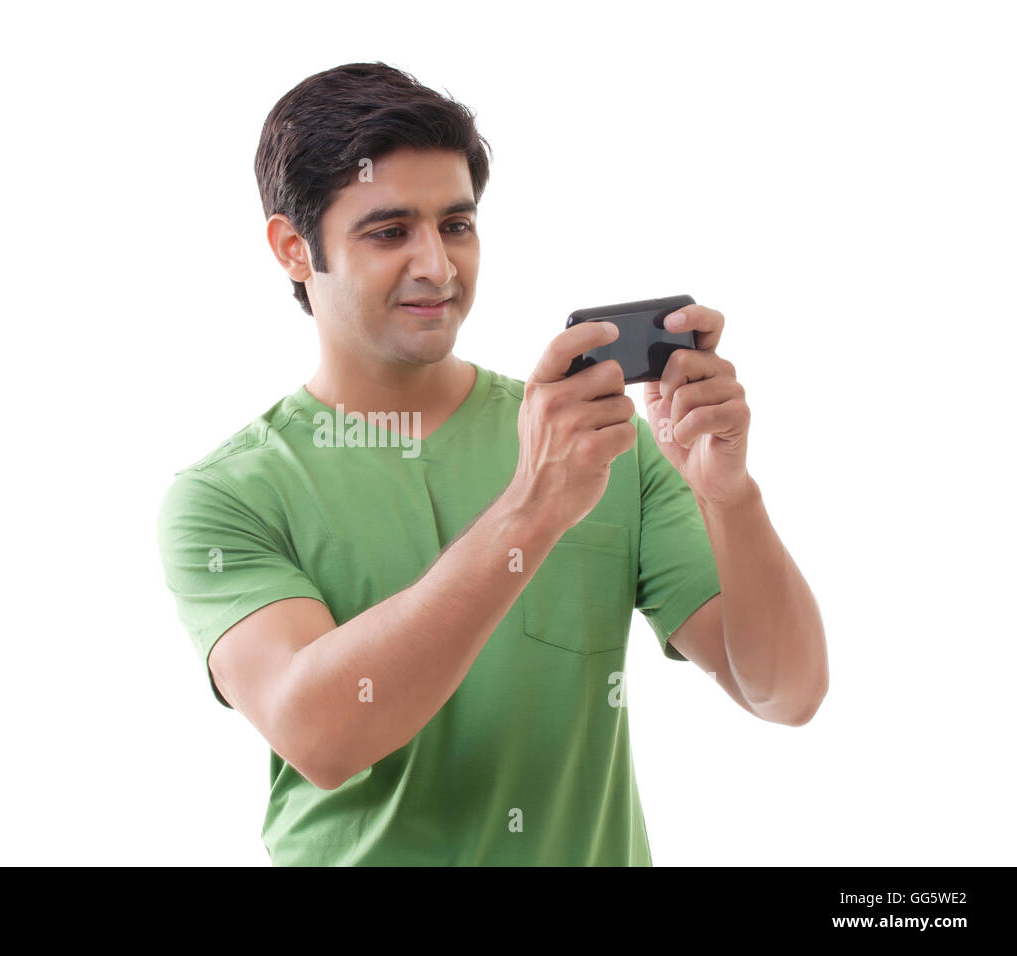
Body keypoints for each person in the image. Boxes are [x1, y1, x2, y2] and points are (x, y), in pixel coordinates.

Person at [157, 62, 828, 865]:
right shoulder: (225, 497)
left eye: (457, 225)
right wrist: (534, 509)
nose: (437, 266)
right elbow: (321, 735)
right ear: (294, 248)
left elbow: (785, 694)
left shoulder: (597, 442)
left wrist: (731, 496)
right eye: (388, 230)